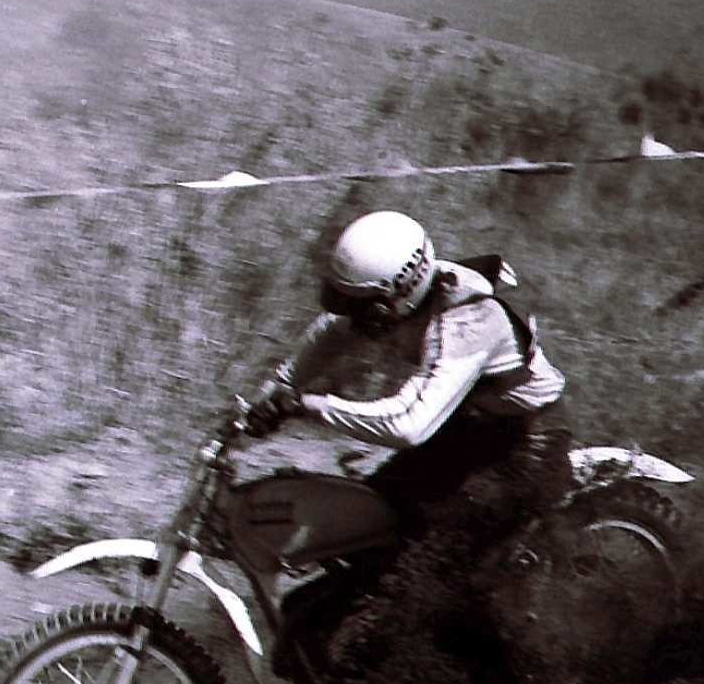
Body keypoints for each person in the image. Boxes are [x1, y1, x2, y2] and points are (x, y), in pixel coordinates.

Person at [245, 208, 571, 549]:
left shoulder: (467, 323)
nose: (356, 319)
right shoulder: (406, 294)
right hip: (470, 429)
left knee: (420, 564)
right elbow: (333, 330)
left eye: (364, 308)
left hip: (526, 446)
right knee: (367, 518)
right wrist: (279, 388)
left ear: (397, 295)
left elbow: (408, 425)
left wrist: (307, 405)